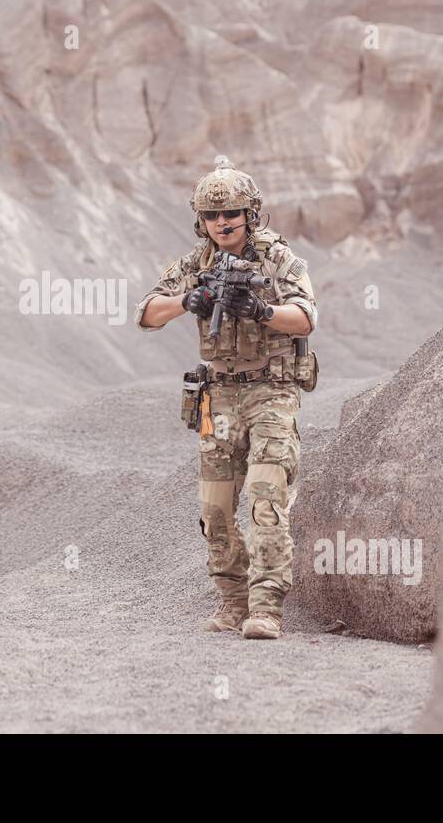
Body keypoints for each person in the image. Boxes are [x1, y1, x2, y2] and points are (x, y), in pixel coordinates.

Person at [134, 156, 318, 639]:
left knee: (265, 498)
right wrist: (187, 300)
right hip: (219, 396)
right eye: (212, 215)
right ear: (201, 220)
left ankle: (266, 607)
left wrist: (261, 310)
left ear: (250, 214)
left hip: (271, 392)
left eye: (231, 213)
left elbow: (305, 318)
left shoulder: (278, 259)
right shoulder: (196, 263)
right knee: (215, 509)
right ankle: (232, 601)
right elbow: (147, 314)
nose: (222, 223)